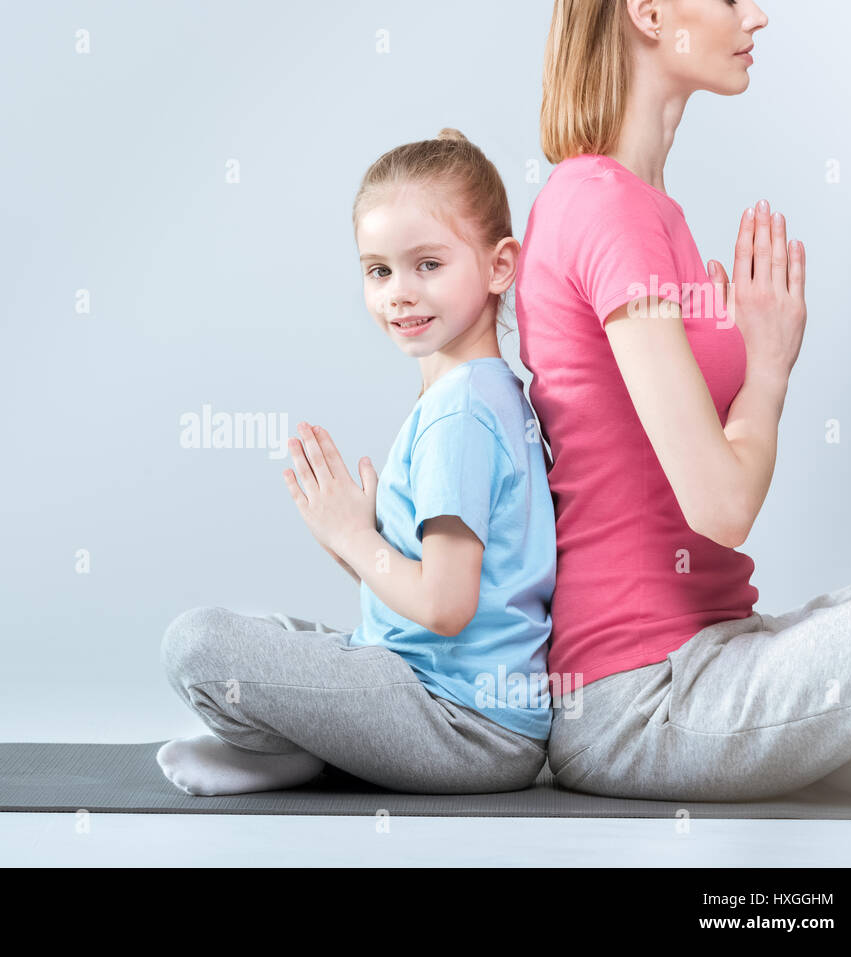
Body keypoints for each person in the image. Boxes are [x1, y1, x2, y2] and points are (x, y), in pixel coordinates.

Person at [515, 0, 851, 801]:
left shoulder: (645, 207)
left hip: (720, 652)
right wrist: (770, 368)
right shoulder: (604, 206)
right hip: (645, 697)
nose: (754, 16)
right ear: (648, 12)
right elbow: (720, 505)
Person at [156, 129, 557, 796]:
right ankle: (309, 747)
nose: (399, 292)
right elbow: (446, 594)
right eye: (379, 270)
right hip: (447, 701)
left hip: (466, 727)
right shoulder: (480, 392)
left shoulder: (461, 413)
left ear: (499, 265)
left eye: (428, 264)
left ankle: (301, 753)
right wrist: (357, 547)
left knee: (196, 644)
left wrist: (354, 535)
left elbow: (446, 604)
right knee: (282, 636)